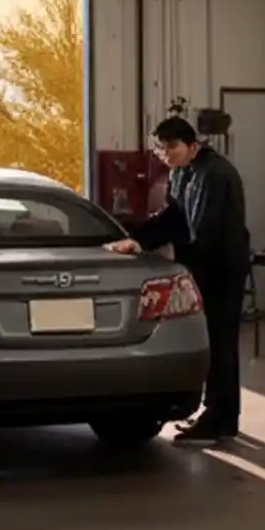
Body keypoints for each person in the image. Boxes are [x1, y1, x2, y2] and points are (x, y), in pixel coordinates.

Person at [105, 115, 249, 444]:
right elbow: (173, 216)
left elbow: (203, 230)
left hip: (221, 269)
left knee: (220, 343)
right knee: (212, 342)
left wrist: (179, 270)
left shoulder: (213, 174)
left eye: (172, 147)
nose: (166, 153)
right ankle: (216, 414)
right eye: (161, 148)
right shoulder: (182, 172)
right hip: (202, 266)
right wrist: (138, 240)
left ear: (192, 145)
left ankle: (220, 419)